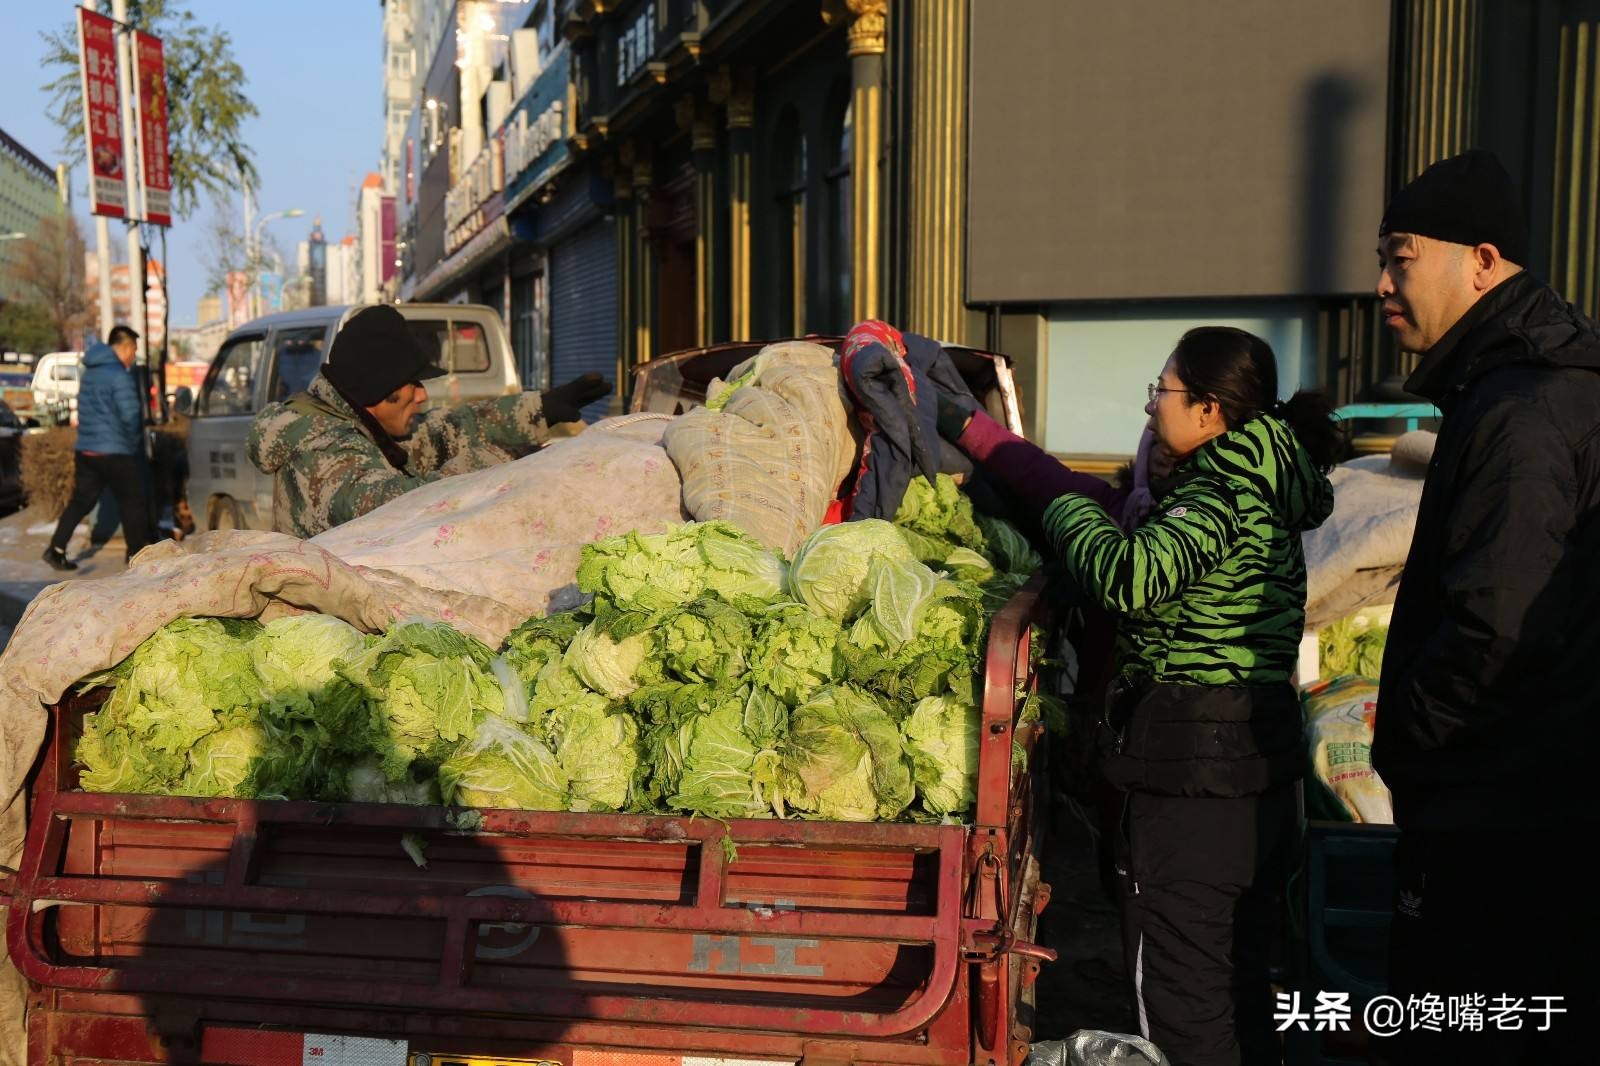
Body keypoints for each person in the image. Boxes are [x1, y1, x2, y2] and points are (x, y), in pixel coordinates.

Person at [937, 327, 1339, 1066]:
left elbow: (1128, 576)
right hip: (1251, 759)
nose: (1153, 408)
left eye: (1164, 391)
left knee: (1184, 1004)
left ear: (1212, 410)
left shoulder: (1221, 490)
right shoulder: (1265, 477)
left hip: (1196, 773)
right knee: (1237, 984)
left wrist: (1063, 514)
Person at [1369, 149, 1599, 1064]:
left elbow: (1495, 622)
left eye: (1402, 257)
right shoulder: (1521, 384)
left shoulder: (1525, 407)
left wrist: (1417, 746)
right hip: (1525, 799)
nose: (1383, 283)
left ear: (1483, 259)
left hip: (1500, 814)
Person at [247, 304, 610, 538]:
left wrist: (544, 408)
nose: (421, 396)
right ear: (379, 390)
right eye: (412, 384)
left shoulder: (363, 427)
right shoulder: (324, 450)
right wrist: (495, 466)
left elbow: (448, 430)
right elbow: (403, 507)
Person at [42, 325, 152, 570]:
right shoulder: (119, 375)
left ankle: (56, 549)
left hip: (87, 450)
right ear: (123, 347)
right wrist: (134, 443)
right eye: (133, 349)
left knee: (81, 501)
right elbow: (131, 415)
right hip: (115, 451)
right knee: (132, 501)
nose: (133, 355)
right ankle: (136, 555)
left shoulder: (90, 373)